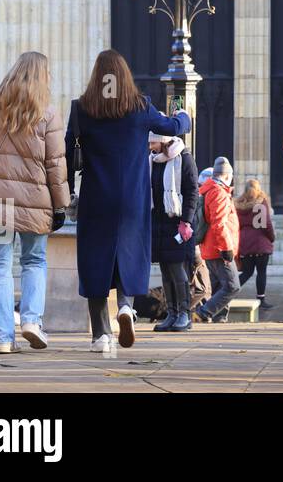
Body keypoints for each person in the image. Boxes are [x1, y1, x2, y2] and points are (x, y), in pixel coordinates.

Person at [66, 49, 190, 352]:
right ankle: (124, 306)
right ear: (125, 77)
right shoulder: (140, 107)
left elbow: (69, 153)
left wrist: (69, 191)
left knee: (95, 259)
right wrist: (183, 113)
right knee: (131, 252)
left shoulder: (82, 108)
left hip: (96, 198)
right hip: (132, 199)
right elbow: (174, 128)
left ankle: (101, 336)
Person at [0, 51, 70, 353]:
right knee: (34, 260)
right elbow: (55, 164)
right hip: (34, 201)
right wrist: (60, 205)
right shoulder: (48, 114)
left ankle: (2, 337)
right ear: (42, 78)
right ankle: (30, 320)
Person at [148, 131, 199, 332]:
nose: (150, 147)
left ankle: (184, 314)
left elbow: (192, 191)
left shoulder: (184, 158)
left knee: (178, 270)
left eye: (153, 142)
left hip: (177, 223)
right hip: (159, 222)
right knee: (165, 270)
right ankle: (171, 312)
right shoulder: (154, 161)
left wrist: (186, 221)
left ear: (162, 141)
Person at [195, 159, 240, 323]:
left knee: (219, 285)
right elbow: (219, 223)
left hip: (210, 247)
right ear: (228, 175)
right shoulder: (218, 192)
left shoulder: (209, 189)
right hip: (218, 248)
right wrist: (226, 248)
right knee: (232, 286)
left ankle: (219, 317)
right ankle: (204, 312)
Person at [236, 178, 276, 310]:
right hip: (260, 242)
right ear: (258, 189)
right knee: (261, 272)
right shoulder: (261, 203)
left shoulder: (238, 204)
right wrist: (272, 238)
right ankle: (261, 298)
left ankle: (228, 292)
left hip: (245, 243)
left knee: (247, 272)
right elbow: (267, 224)